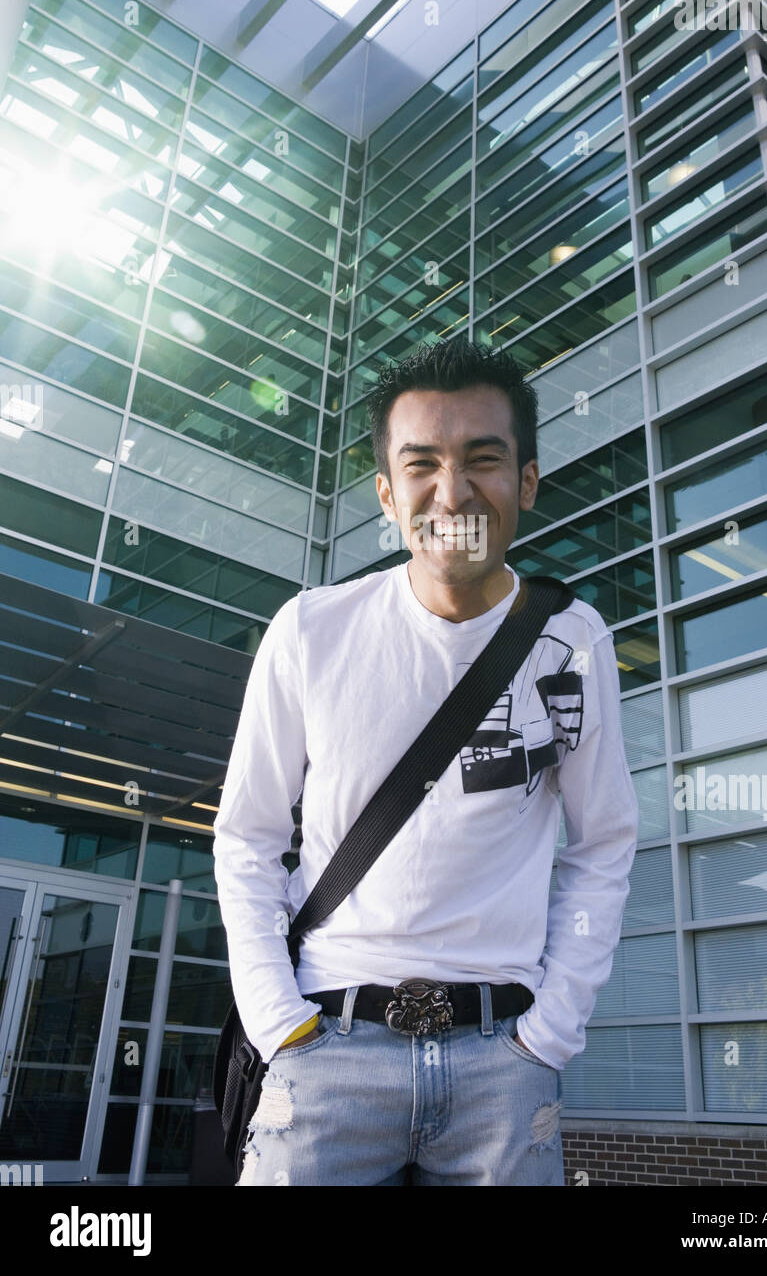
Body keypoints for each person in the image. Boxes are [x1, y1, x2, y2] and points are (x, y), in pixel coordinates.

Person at [212, 335, 639, 1186]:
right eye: (421, 465)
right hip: (327, 1048)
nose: (453, 492)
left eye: (483, 459)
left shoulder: (572, 640)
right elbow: (248, 837)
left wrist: (549, 1032)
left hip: (504, 1063)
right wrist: (277, 1022)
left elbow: (604, 845)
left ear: (526, 480)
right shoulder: (310, 630)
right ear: (386, 491)